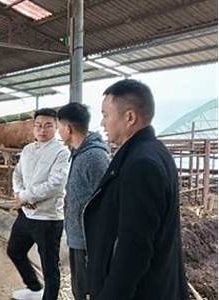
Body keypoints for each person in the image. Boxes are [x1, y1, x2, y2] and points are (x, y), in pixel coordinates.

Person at [83, 79, 189, 300]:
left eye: (105, 115)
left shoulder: (141, 165)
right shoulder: (153, 151)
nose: (103, 124)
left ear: (129, 117)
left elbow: (134, 249)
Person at [7, 108, 70, 300]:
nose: (42, 130)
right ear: (33, 128)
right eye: (38, 126)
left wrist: (25, 196)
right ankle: (34, 288)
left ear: (56, 126)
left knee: (50, 267)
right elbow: (17, 173)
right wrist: (19, 193)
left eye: (48, 125)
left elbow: (56, 185)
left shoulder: (62, 152)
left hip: (48, 219)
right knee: (14, 251)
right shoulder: (27, 150)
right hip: (26, 214)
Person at [57, 103, 109, 300]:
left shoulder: (95, 157)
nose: (58, 131)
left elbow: (106, 202)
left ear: (68, 129)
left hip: (89, 242)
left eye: (59, 126)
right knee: (80, 290)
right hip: (78, 236)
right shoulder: (78, 154)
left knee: (89, 292)